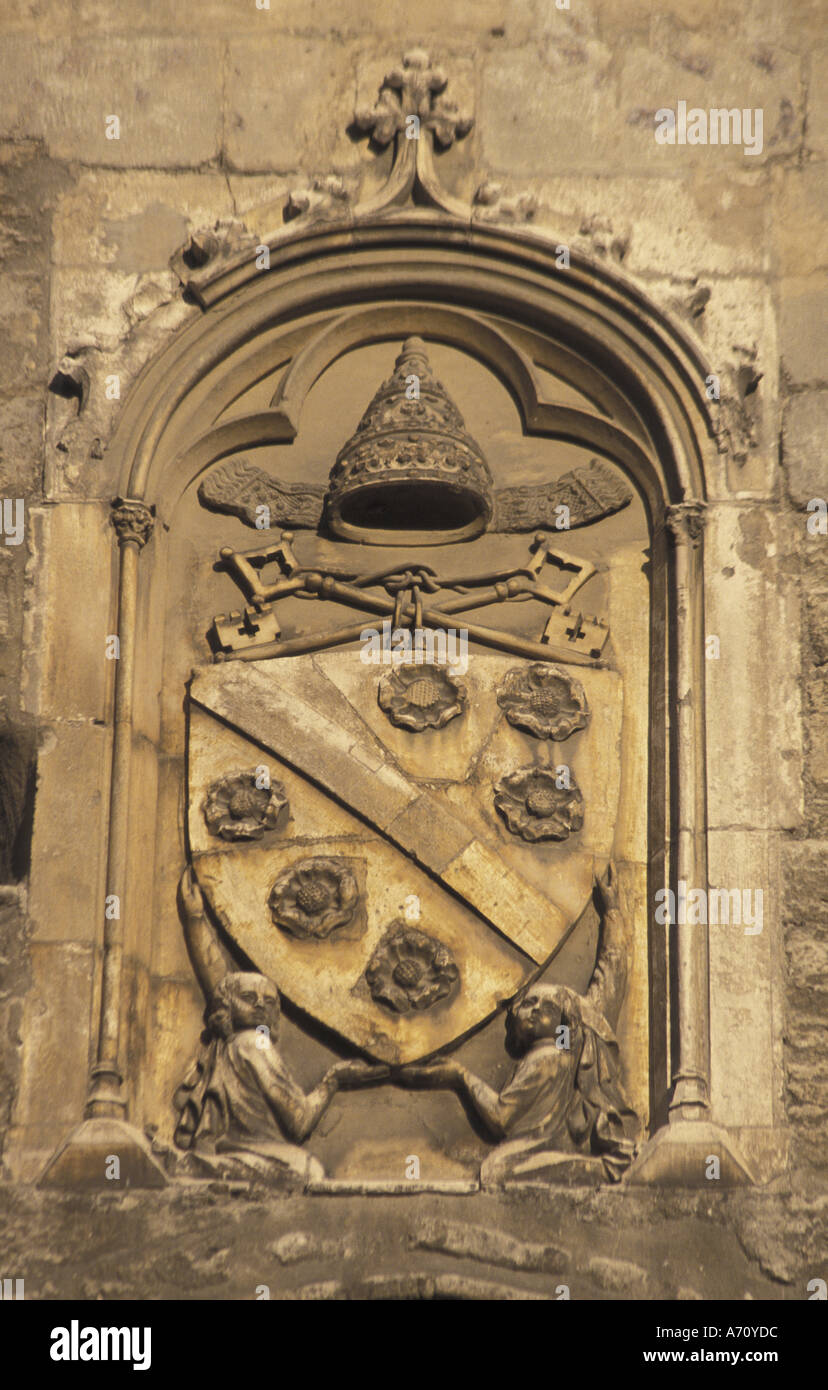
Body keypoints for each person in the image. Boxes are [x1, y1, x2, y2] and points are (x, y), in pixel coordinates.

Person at [399, 864, 640, 1182]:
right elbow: (608, 979)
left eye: (543, 1003)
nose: (534, 1009)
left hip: (523, 1153)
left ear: (562, 1017)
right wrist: (613, 916)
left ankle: (584, 1167)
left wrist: (461, 1076)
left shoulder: (563, 1047)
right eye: (527, 1004)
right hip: (536, 1146)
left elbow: (502, 1118)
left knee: (495, 1171)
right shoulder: (563, 1047)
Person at [173, 965, 385, 1184]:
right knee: (310, 1171)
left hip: (237, 1152)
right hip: (260, 1155)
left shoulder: (231, 1045)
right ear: (226, 1005)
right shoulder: (256, 1043)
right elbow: (299, 1122)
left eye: (269, 1001)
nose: (260, 1005)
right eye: (248, 997)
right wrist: (334, 1080)